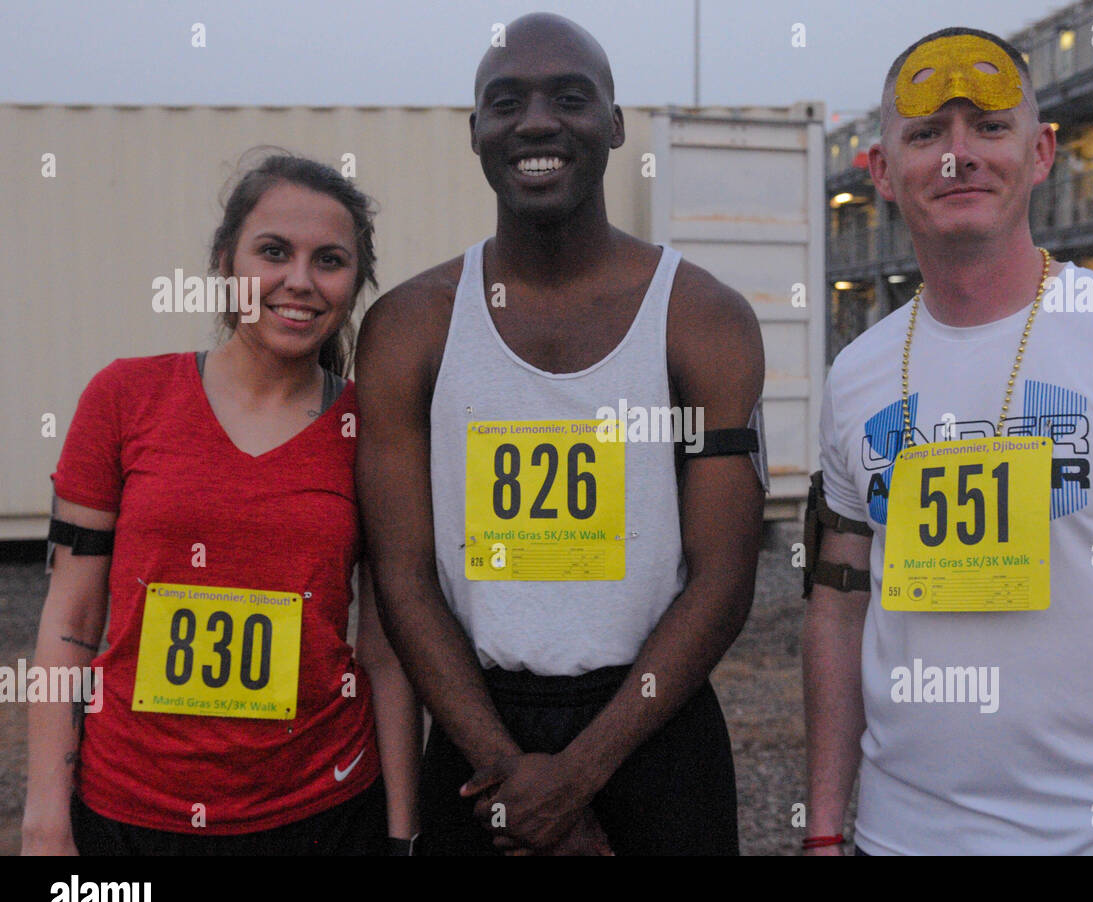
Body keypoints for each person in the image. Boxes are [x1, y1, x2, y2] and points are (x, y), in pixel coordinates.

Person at [802, 27, 1093, 855]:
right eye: (925, 134)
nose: (958, 156)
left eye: (989, 126)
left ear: (1041, 151)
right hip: (896, 838)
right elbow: (840, 608)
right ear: (880, 170)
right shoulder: (857, 374)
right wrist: (822, 829)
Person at [355, 13, 767, 855]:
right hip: (479, 731)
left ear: (615, 125)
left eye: (570, 98)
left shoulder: (704, 317)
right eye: (506, 102)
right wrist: (512, 769)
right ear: (476, 133)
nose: (537, 122)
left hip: (657, 718)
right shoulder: (409, 325)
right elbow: (401, 575)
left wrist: (577, 777)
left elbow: (724, 575)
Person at [21, 152, 422, 855]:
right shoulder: (123, 398)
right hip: (130, 812)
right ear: (223, 260)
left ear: (356, 283)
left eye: (329, 260)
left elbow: (385, 651)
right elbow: (69, 619)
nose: (299, 280)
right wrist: (45, 819)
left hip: (320, 811)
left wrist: (402, 832)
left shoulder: (372, 429)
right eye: (273, 252)